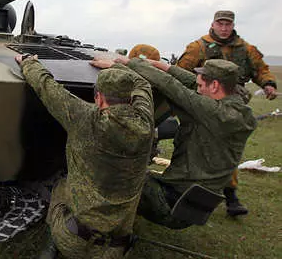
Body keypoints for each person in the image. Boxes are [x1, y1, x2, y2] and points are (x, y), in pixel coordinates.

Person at [15, 53, 154, 259]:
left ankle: (47, 258)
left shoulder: (84, 118)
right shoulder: (146, 125)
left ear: (98, 97)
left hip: (73, 237)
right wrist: (122, 67)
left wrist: (28, 61)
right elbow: (143, 85)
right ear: (129, 100)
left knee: (61, 189)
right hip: (114, 248)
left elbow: (46, 86)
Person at [91, 55, 257, 230]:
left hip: (175, 203)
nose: (197, 89)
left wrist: (124, 68)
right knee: (134, 175)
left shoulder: (217, 114)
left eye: (201, 86)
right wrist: (157, 64)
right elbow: (190, 81)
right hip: (188, 200)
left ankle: (102, 235)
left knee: (109, 174)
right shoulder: (234, 107)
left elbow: (172, 86)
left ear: (215, 85)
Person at [177, 10, 277, 216]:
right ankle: (184, 186)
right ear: (212, 24)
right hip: (206, 107)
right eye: (220, 24)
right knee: (195, 145)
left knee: (228, 149)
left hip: (233, 107)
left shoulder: (245, 49)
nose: (224, 28)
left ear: (233, 26)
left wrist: (268, 84)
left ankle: (231, 197)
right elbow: (182, 71)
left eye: (227, 24)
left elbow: (260, 69)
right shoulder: (198, 47)